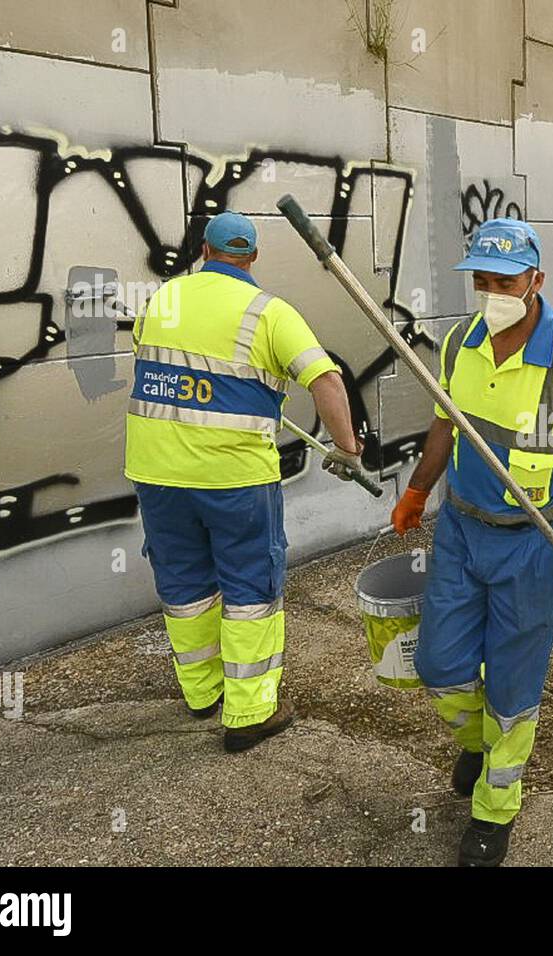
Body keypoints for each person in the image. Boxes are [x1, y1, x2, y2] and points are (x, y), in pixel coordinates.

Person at [388, 219, 553, 866]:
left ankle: (495, 812)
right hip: (463, 531)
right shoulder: (460, 343)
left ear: (536, 281)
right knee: (438, 665)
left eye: (505, 281)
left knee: (512, 685)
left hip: (539, 546)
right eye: (482, 280)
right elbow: (448, 423)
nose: (492, 291)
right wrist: (418, 490)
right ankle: (477, 743)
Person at [125, 211, 365, 751]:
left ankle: (201, 693)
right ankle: (249, 714)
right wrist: (348, 450)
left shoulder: (161, 300)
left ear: (204, 252)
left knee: (185, 583)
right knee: (249, 587)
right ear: (252, 258)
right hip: (232, 477)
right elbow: (325, 378)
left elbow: (170, 370)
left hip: (156, 472)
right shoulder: (269, 313)